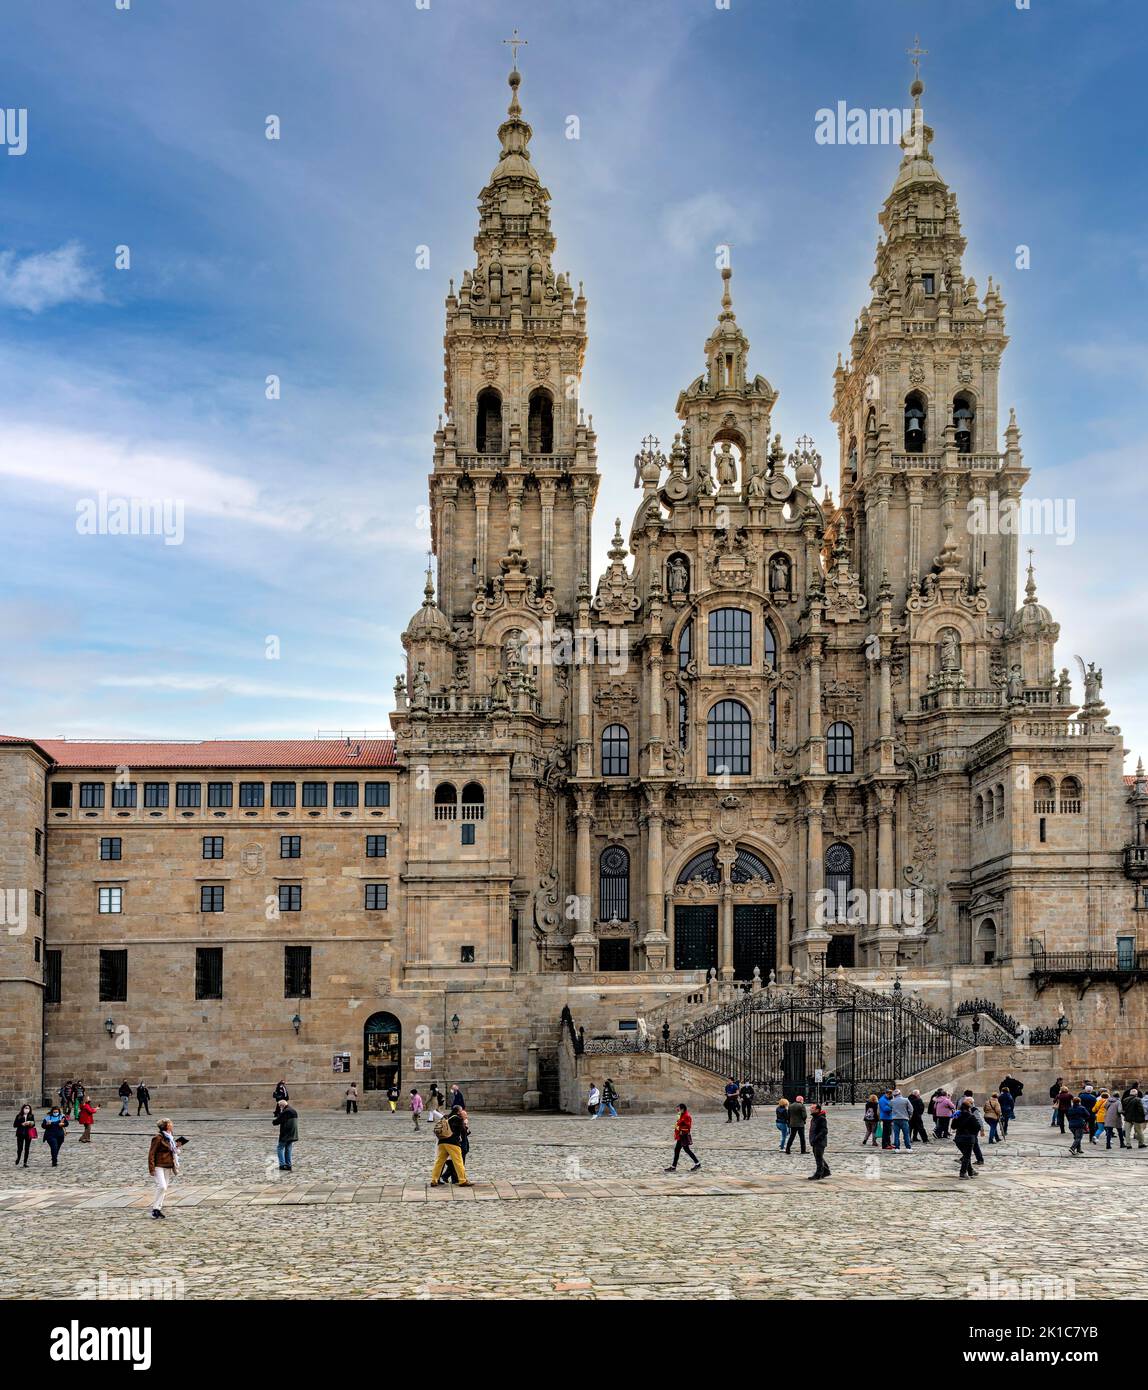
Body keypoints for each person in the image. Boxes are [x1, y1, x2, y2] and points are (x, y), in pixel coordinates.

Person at [430, 1105, 471, 1186]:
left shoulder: (446, 1117)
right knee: (458, 1161)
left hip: (442, 1142)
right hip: (452, 1143)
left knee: (439, 1162)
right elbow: (463, 1132)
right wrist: (465, 1124)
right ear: (458, 1111)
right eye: (461, 1110)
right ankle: (462, 1180)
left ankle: (434, 1180)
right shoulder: (457, 1119)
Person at [147, 1119, 180, 1218]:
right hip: (159, 1165)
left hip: (168, 1165)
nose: (172, 1125)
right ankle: (155, 1208)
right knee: (162, 1186)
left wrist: (177, 1148)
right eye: (170, 1123)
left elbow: (172, 1151)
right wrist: (151, 1168)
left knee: (164, 1188)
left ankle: (157, 1209)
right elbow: (151, 1153)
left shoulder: (170, 1138)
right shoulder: (158, 1138)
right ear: (165, 1126)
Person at [664, 1103, 702, 1173]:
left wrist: (679, 1127)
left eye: (678, 1109)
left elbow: (688, 1127)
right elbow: (678, 1122)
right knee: (677, 1150)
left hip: (683, 1136)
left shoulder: (687, 1116)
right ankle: (673, 1167)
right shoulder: (680, 1115)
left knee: (686, 1150)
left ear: (682, 1109)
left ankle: (697, 1163)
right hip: (680, 1136)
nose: (677, 1111)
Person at [952, 1099, 983, 1178]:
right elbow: (977, 1127)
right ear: (969, 1108)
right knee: (966, 1156)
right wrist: (972, 1132)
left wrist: (955, 1119)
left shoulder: (957, 1116)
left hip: (958, 1138)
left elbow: (953, 1126)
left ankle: (971, 1171)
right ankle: (962, 1173)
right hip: (968, 1139)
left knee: (966, 1155)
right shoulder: (971, 1116)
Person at [273, 1099, 298, 1171]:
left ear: (282, 1106)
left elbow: (275, 1122)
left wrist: (280, 1113)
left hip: (286, 1134)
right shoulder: (293, 1111)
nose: (279, 1108)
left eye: (280, 1107)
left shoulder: (286, 1112)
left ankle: (282, 1165)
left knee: (280, 1148)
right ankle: (288, 1165)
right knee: (288, 1148)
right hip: (293, 1133)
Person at [808, 1103, 831, 1180]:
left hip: (819, 1141)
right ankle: (826, 1171)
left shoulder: (821, 1118)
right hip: (814, 1140)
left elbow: (824, 1131)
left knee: (818, 1158)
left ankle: (818, 1174)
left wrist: (816, 1138)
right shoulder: (815, 1117)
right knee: (819, 1156)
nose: (810, 1109)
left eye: (812, 1108)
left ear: (817, 1110)